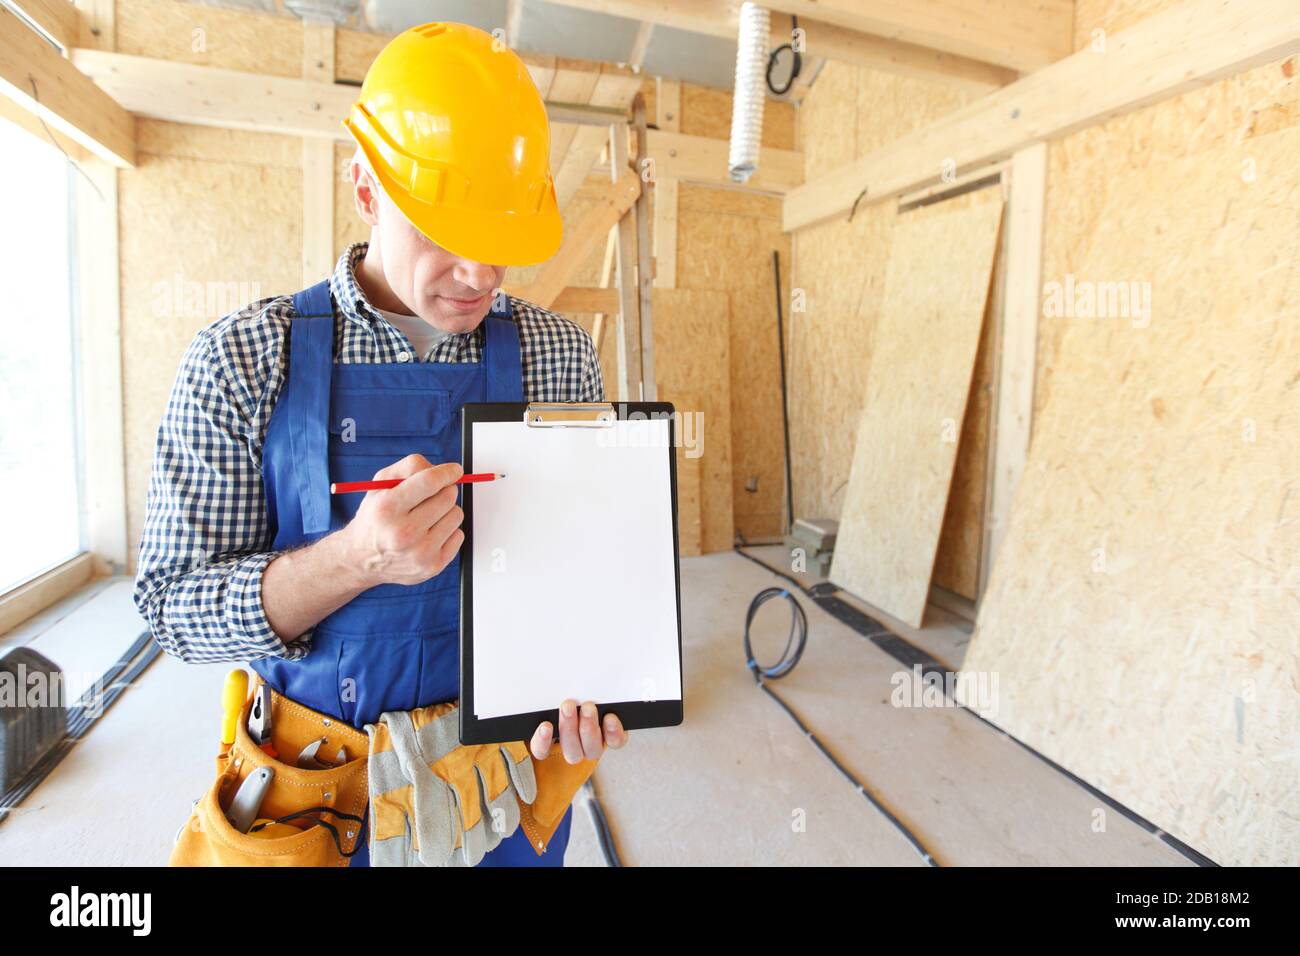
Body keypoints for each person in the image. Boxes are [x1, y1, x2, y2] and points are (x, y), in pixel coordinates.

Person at [134, 21, 626, 867]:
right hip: (314, 801)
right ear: (366, 190)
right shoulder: (244, 359)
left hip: (500, 792)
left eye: (501, 236)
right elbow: (171, 611)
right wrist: (352, 561)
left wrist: (594, 680)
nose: (480, 276)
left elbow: (581, 572)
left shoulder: (559, 354)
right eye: (442, 232)